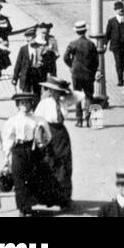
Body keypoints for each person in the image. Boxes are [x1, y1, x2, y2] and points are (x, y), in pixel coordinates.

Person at [2, 91, 51, 216]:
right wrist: (6, 158)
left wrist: (41, 139)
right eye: (21, 103)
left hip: (32, 150)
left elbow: (48, 136)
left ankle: (29, 207)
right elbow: (8, 139)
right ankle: (22, 209)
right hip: (18, 150)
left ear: (31, 104)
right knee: (19, 180)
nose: (24, 105)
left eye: (27, 102)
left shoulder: (38, 119)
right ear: (17, 105)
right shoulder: (12, 121)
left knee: (31, 179)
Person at [35, 77, 73, 209]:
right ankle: (50, 198)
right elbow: (38, 121)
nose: (56, 93)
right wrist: (41, 138)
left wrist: (65, 91)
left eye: (58, 91)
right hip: (48, 132)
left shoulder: (63, 102)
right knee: (50, 164)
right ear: (50, 91)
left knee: (64, 165)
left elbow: (75, 96)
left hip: (61, 134)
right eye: (54, 91)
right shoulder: (44, 104)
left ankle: (64, 198)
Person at [64, 21, 99, 127]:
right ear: (85, 31)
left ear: (77, 32)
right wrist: (92, 71)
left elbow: (65, 57)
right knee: (89, 96)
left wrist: (72, 66)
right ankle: (88, 119)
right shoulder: (91, 44)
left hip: (76, 74)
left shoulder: (72, 43)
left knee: (77, 96)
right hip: (88, 74)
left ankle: (79, 120)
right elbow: (96, 61)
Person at [12, 28, 55, 99]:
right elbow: (18, 64)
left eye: (31, 39)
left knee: (37, 96)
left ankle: (36, 108)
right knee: (26, 96)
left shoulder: (41, 48)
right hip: (26, 77)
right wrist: (15, 78)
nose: (29, 42)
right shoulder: (23, 49)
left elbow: (49, 65)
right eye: (28, 40)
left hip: (37, 77)